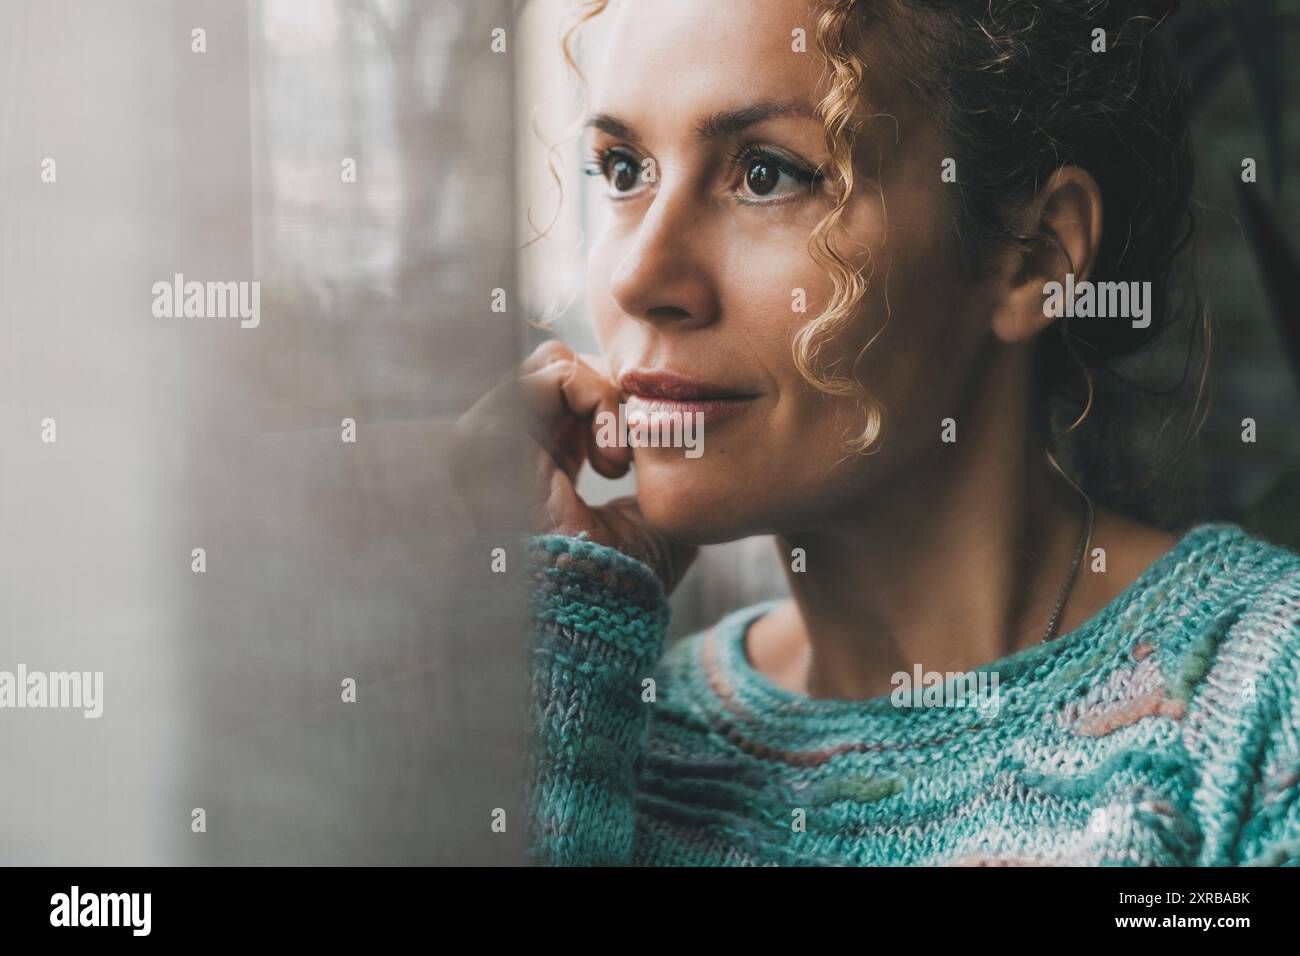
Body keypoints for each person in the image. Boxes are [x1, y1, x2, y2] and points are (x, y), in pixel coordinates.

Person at [454, 0, 1300, 865]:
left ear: (1034, 257)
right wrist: (565, 654)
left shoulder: (1262, 705)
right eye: (625, 169)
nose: (638, 277)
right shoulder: (604, 717)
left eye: (767, 175)